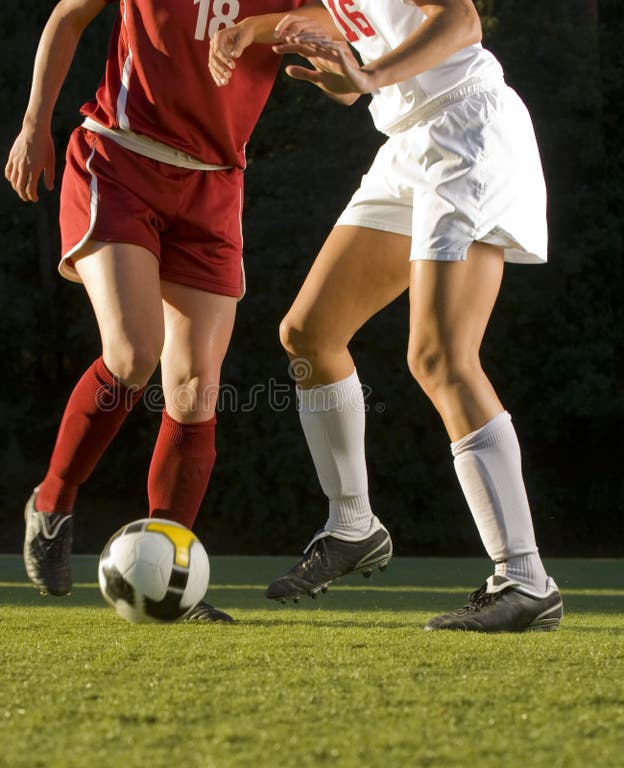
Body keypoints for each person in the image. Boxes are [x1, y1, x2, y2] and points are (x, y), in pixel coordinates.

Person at [209, 0, 563, 632]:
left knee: (441, 358)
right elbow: (347, 45)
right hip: (407, 142)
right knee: (310, 333)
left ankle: (525, 579)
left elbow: (461, 19)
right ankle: (354, 526)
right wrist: (258, 35)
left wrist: (368, 75)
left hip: (467, 129)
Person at [5, 0, 311, 621]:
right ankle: (52, 503)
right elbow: (68, 16)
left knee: (195, 389)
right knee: (133, 354)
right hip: (120, 159)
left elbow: (344, 29)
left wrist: (338, 65)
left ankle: (170, 578)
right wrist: (35, 123)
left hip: (214, 183)